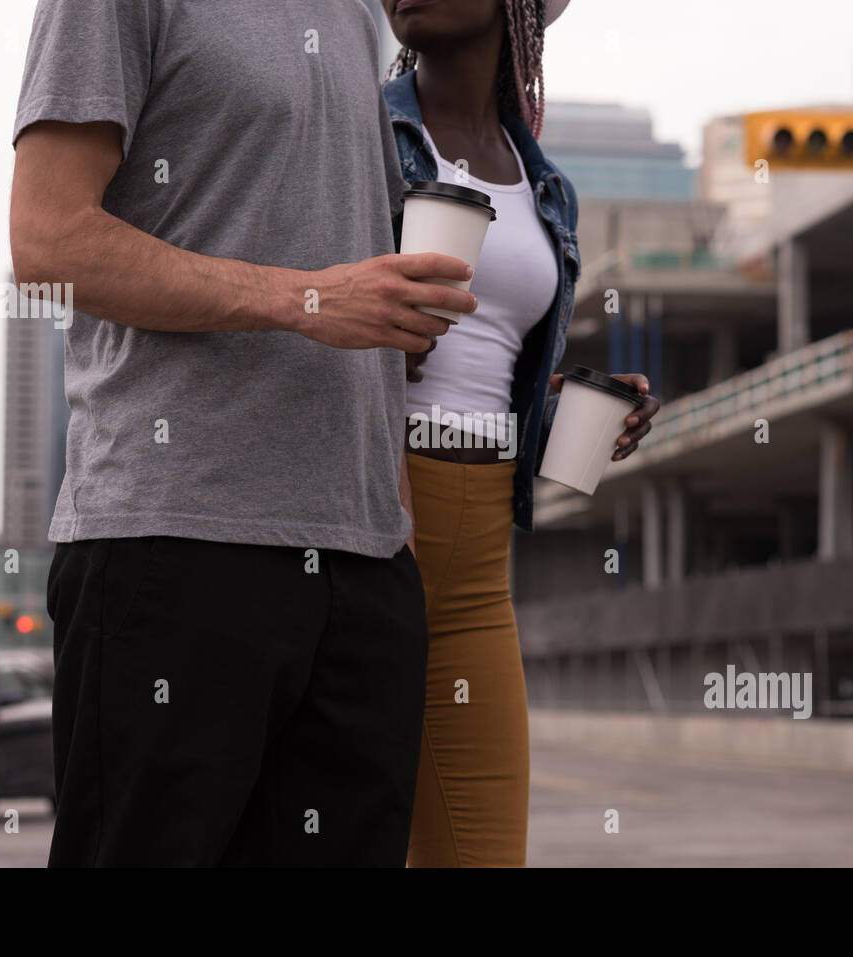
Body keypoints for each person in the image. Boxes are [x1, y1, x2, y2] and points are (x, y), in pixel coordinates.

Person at [10, 0, 478, 867]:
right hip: (177, 539)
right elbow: (46, 242)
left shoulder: (352, 15)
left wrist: (396, 524)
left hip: (364, 568)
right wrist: (305, 299)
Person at [380, 0, 661, 867]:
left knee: (481, 852)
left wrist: (580, 415)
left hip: (479, 567)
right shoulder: (362, 138)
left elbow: (499, 375)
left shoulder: (546, 188)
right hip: (365, 533)